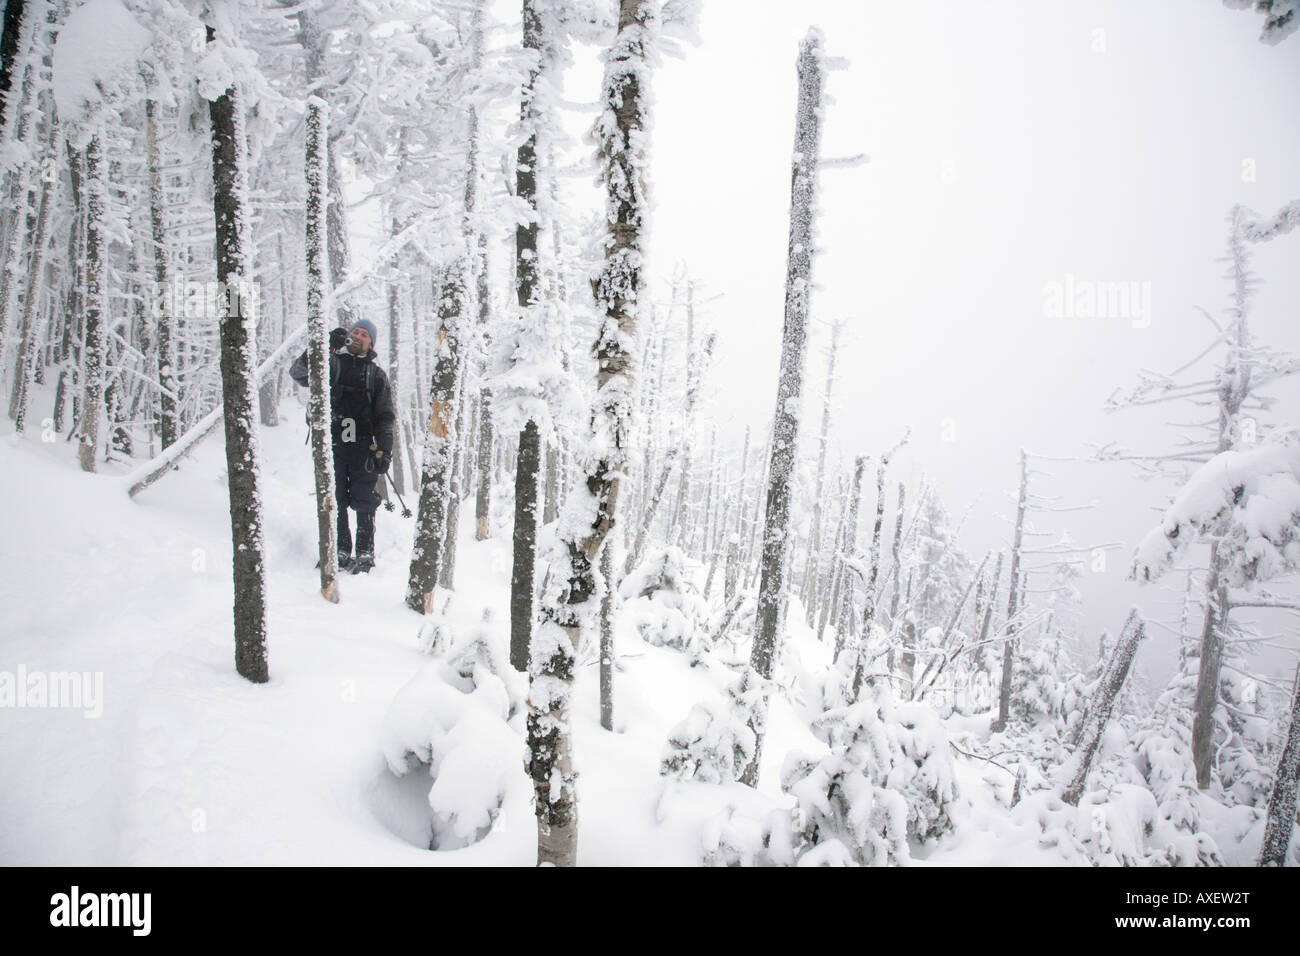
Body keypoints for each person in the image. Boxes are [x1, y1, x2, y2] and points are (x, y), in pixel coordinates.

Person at [290, 319, 396, 573]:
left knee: (364, 498)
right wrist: (322, 347)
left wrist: (385, 450)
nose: (358, 337)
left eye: (364, 335)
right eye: (355, 332)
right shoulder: (329, 363)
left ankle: (364, 551)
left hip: (364, 446)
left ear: (371, 343)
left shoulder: (376, 375)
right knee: (334, 497)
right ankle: (338, 549)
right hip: (331, 442)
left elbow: (385, 416)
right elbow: (298, 373)